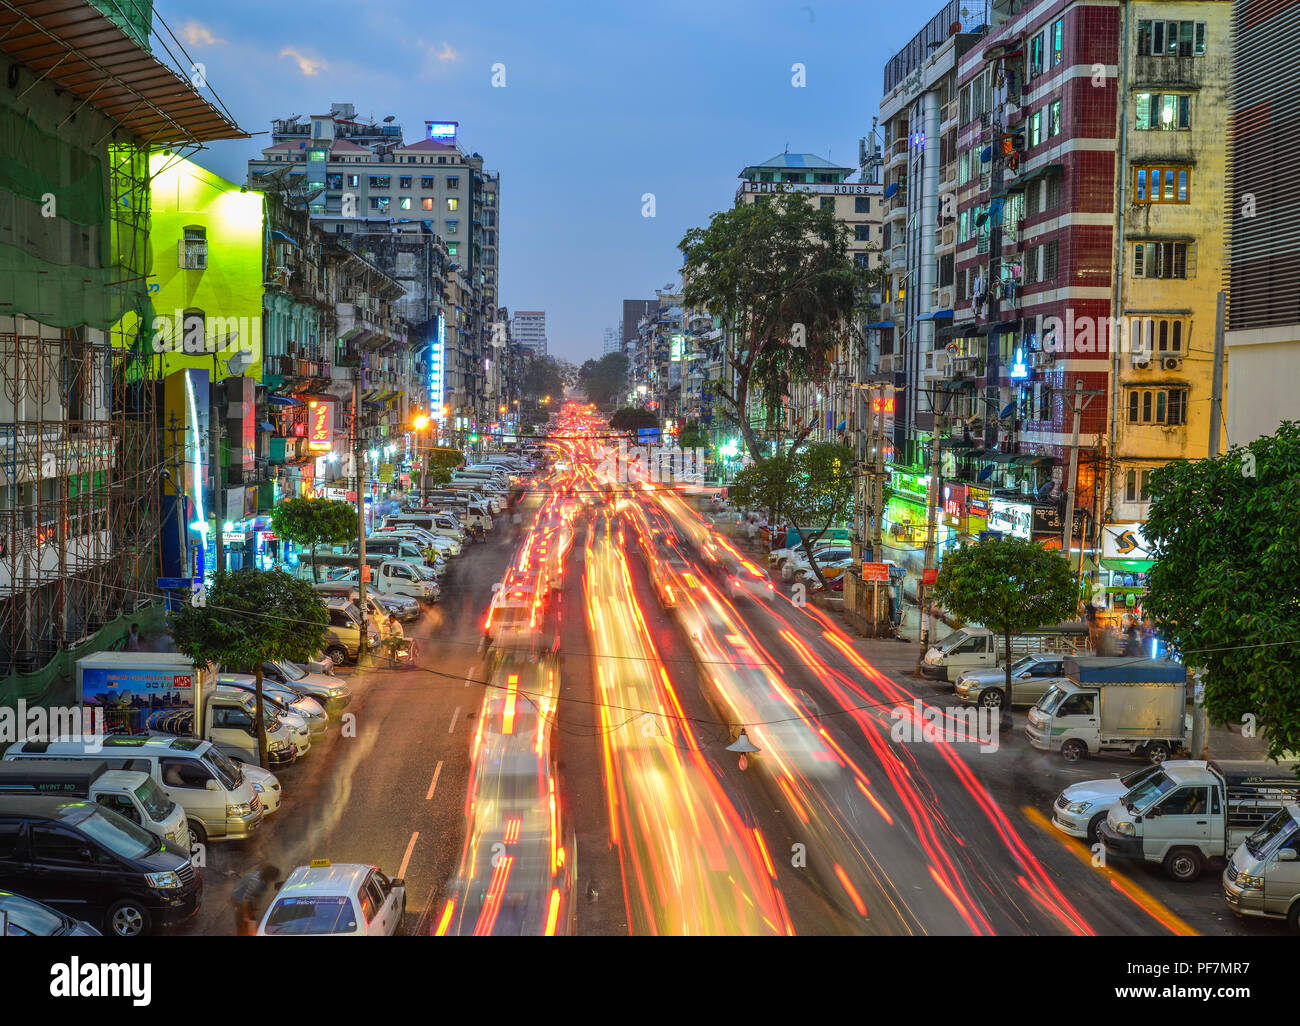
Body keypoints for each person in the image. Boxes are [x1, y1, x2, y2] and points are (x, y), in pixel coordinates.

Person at [231, 864, 280, 936]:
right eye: (274, 877)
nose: (275, 879)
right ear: (269, 876)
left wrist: (255, 910)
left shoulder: (264, 881)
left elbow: (259, 895)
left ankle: (249, 930)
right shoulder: (256, 883)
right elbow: (245, 899)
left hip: (247, 896)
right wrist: (246, 916)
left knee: (251, 919)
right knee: (242, 921)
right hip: (238, 898)